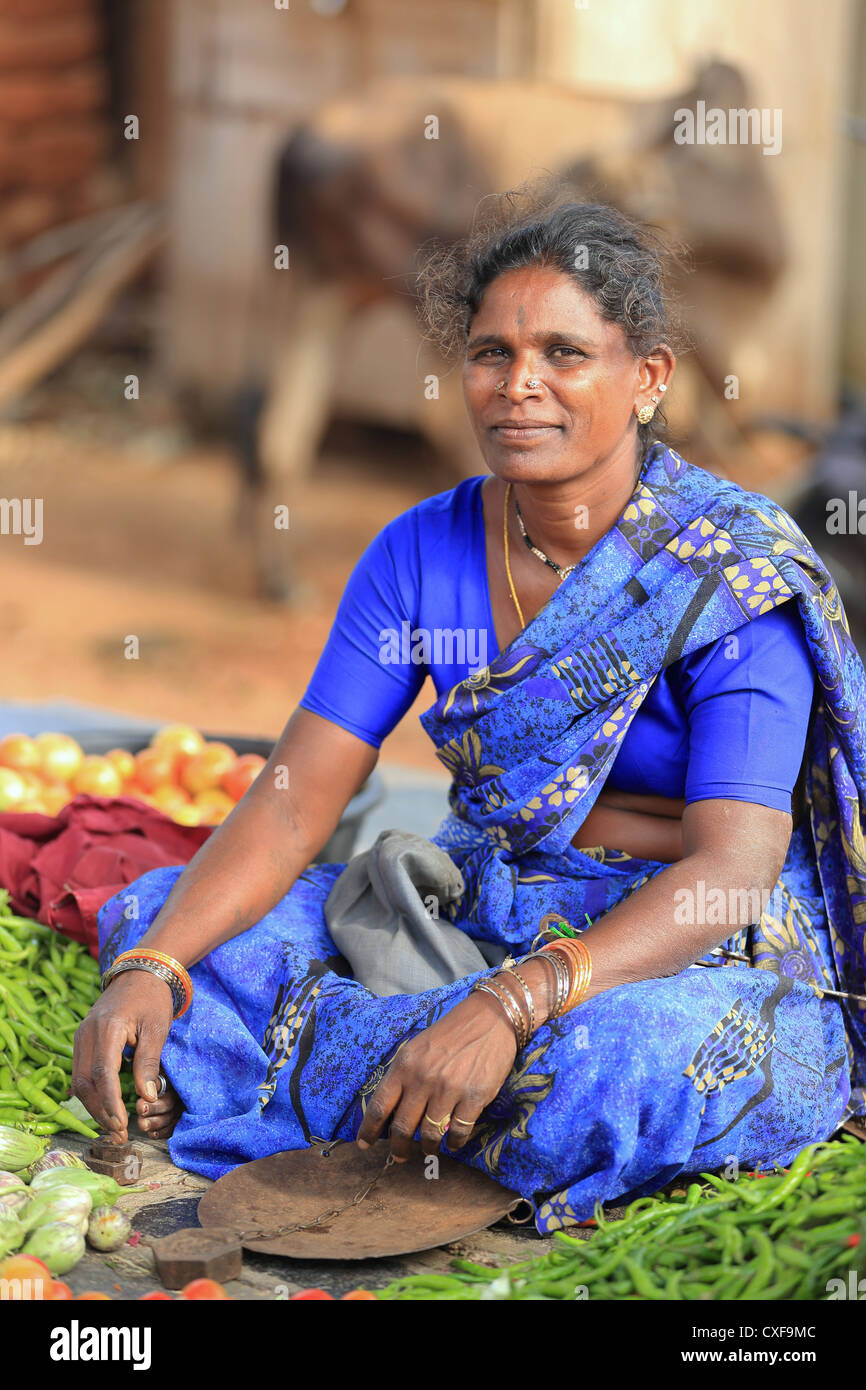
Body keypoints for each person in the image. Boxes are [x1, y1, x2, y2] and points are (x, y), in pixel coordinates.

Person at [71, 195, 866, 1233]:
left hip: (683, 945)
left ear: (648, 378)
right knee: (159, 917)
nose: (518, 384)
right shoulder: (417, 552)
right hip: (476, 905)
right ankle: (435, 1098)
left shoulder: (726, 573)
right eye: (491, 351)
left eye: (564, 353)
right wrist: (154, 966)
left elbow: (727, 875)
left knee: (613, 1066)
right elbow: (294, 796)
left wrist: (508, 1005)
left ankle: (399, 1084)